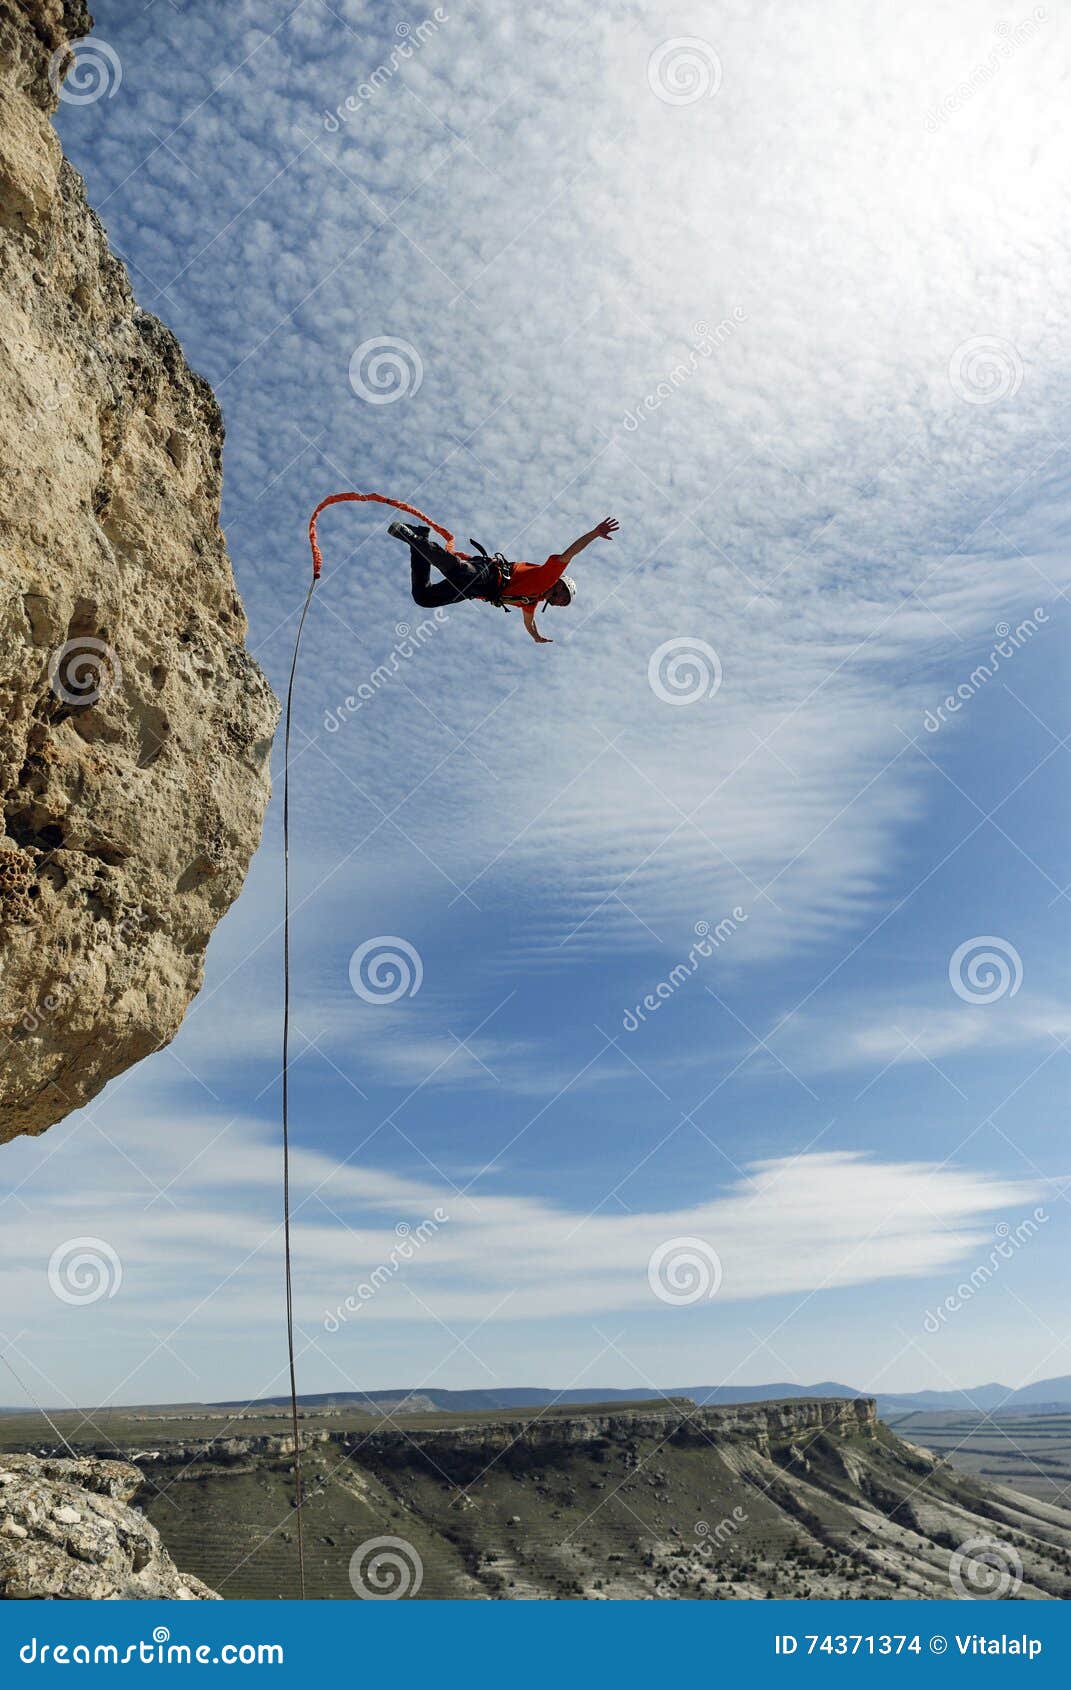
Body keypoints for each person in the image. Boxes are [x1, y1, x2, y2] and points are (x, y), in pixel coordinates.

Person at [389, 516, 619, 644]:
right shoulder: (548, 576)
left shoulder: (531, 601)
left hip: (476, 590)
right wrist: (594, 534)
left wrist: (536, 637)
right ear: (559, 584)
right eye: (562, 596)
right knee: (459, 571)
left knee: (424, 597)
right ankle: (411, 536)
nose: (558, 601)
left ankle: (419, 538)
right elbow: (570, 553)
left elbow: (529, 623)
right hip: (488, 574)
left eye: (561, 603)